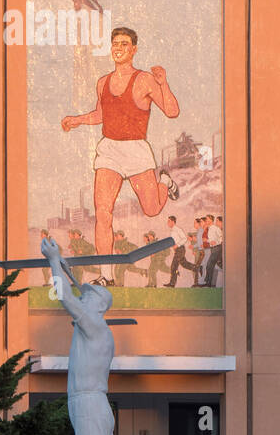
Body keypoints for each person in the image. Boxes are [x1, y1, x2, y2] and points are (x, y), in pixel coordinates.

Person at [61, 26, 180, 283]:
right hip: (110, 150)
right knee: (103, 211)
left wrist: (164, 83)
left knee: (151, 209)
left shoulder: (144, 79)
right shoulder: (102, 82)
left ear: (133, 50)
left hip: (136, 150)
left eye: (124, 44)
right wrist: (77, 120)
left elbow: (172, 111)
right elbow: (101, 115)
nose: (118, 48)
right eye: (115, 43)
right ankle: (107, 275)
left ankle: (164, 182)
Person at [40, 235, 133, 435]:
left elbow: (65, 298)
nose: (83, 297)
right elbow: (72, 296)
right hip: (93, 403)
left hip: (89, 404)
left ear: (99, 304)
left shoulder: (94, 324)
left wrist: (53, 261)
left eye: (88, 296)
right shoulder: (96, 329)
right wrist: (64, 268)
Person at [166, 214, 196, 287]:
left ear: (173, 222)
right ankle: (197, 268)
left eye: (169, 221)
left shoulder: (178, 229)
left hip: (180, 249)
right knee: (184, 264)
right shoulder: (173, 230)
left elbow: (184, 239)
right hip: (178, 250)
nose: (167, 223)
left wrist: (177, 245)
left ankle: (172, 284)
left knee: (173, 266)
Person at [202, 214, 223, 288]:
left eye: (207, 219)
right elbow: (211, 240)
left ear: (211, 220)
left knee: (209, 265)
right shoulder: (209, 228)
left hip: (217, 248)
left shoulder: (215, 228)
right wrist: (207, 240)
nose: (206, 220)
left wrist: (216, 242)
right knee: (211, 265)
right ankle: (208, 283)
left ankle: (208, 283)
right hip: (213, 248)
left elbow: (221, 238)